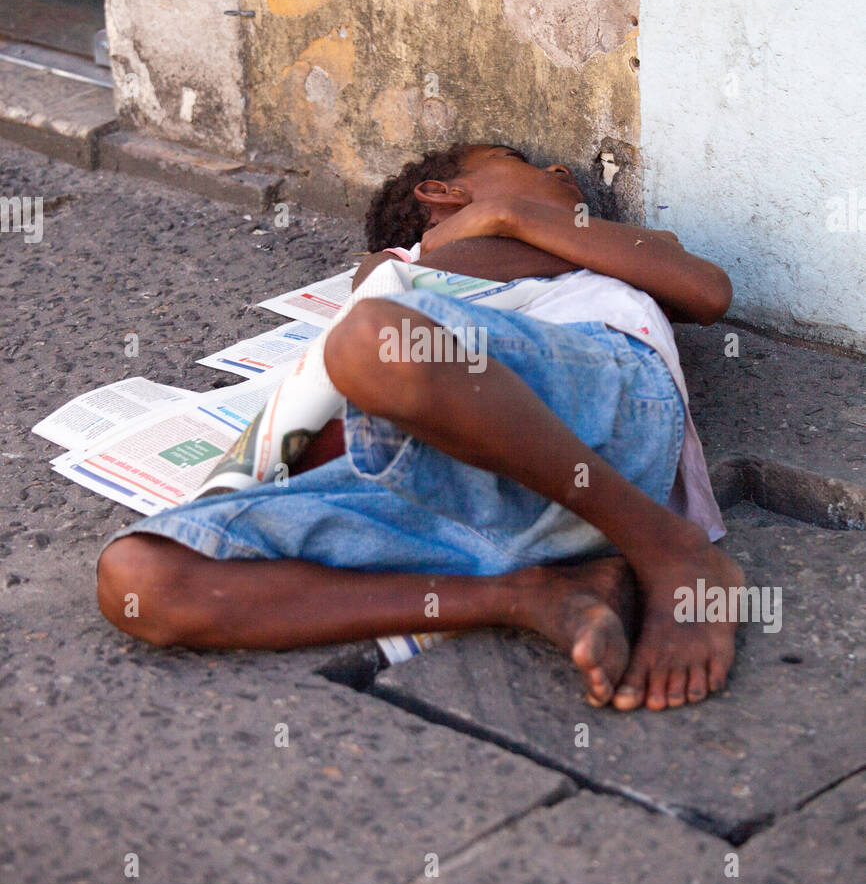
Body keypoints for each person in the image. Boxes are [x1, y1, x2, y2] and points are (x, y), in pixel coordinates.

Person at [97, 143, 745, 712]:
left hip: (599, 432)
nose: (555, 168)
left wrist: (516, 213)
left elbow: (705, 290)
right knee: (137, 580)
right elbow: (430, 275)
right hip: (452, 515)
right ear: (442, 195)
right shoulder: (394, 267)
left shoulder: (586, 254)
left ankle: (667, 548)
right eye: (517, 165)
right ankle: (529, 595)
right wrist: (476, 234)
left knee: (374, 340)